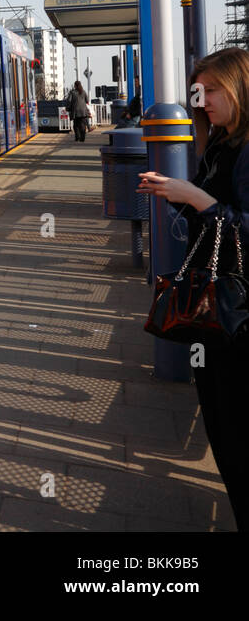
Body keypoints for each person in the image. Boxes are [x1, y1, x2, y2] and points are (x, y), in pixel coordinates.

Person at [137, 47, 249, 529]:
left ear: (240, 88)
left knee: (234, 427)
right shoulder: (222, 142)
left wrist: (196, 197)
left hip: (238, 314)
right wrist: (175, 194)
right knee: (219, 421)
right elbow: (213, 223)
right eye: (198, 92)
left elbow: (241, 226)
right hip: (214, 309)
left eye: (211, 91)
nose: (202, 101)